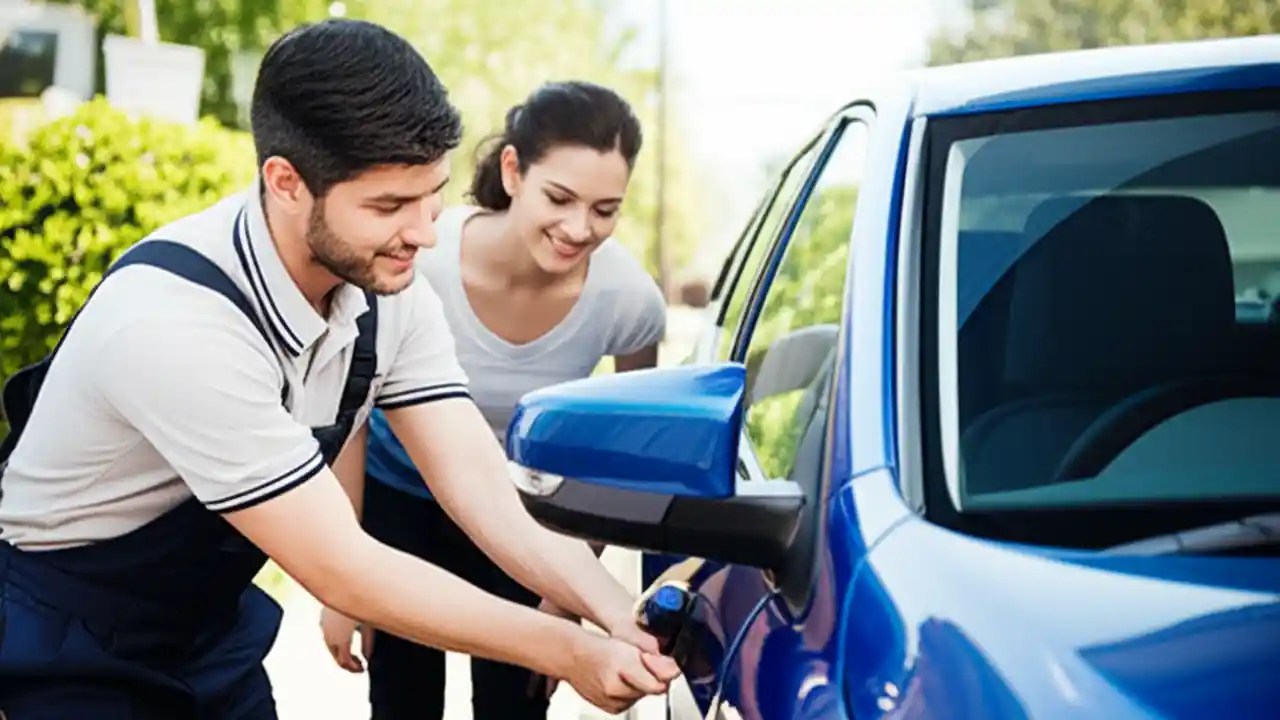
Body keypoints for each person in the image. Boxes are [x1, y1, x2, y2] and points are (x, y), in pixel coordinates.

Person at [0, 19, 677, 719]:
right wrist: (569, 652)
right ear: (286, 182)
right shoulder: (174, 325)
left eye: (432, 194)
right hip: (67, 639)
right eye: (389, 205)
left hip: (205, 632)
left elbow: (479, 483)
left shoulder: (392, 286)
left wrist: (617, 612)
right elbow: (343, 567)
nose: (424, 231)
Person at [317, 81, 668, 719]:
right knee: (403, 702)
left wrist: (568, 596)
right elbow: (354, 410)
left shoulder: (629, 302)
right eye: (559, 198)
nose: (578, 228)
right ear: (513, 170)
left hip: (527, 521)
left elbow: (618, 460)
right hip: (401, 507)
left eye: (605, 209)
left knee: (515, 704)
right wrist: (343, 584)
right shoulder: (421, 262)